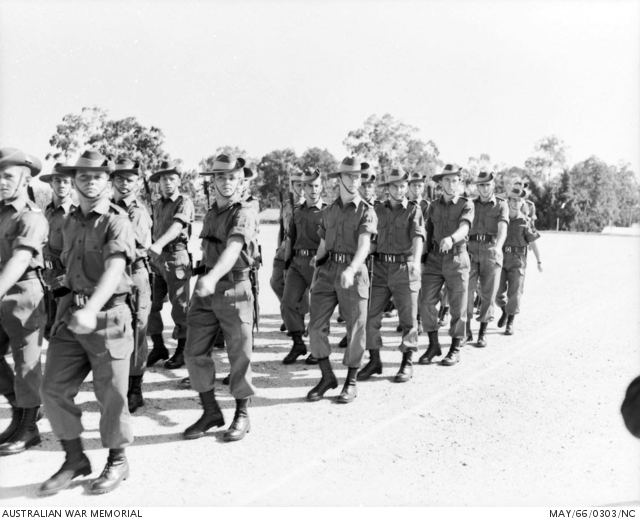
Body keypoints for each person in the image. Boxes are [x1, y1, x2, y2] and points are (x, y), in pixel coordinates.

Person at [39, 149, 136, 495]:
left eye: (96, 176)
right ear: (73, 181)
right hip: (71, 316)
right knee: (51, 387)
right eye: (83, 176)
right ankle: (74, 458)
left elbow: (114, 270)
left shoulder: (116, 221)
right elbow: (64, 265)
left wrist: (91, 308)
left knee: (111, 394)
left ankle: (117, 459)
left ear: (107, 182)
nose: (90, 181)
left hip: (107, 316)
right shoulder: (68, 222)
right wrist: (60, 291)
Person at [182, 154, 259, 442]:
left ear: (241, 180)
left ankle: (242, 413)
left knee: (239, 354)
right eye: (220, 177)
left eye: (232, 177)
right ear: (212, 181)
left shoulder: (245, 212)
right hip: (205, 290)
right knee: (193, 352)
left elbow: (234, 248)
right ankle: (211, 411)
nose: (226, 182)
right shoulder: (213, 212)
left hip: (233, 288)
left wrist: (212, 278)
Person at [305, 157, 377, 404]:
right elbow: (324, 245)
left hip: (354, 273)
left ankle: (351, 381)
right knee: (315, 326)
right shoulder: (328, 211)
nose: (354, 180)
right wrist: (317, 261)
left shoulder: (367, 211)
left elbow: (365, 246)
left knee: (356, 327)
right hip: (328, 271)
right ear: (340, 179)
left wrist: (351, 268)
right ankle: (327, 376)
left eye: (357, 176)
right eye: (349, 176)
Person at [0, 147, 48, 456]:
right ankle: (20, 411)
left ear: (25, 178)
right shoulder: (1, 212)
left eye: (8, 176)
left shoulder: (32, 216)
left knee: (26, 363)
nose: (1, 182)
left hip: (24, 296)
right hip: (3, 293)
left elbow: (20, 259)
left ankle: (29, 428)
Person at [357, 167, 424, 383]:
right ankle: (375, 360)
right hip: (380, 269)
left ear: (407, 187)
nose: (398, 189)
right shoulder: (378, 210)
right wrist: (361, 253)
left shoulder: (414, 210)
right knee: (369, 315)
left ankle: (407, 362)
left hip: (404, 269)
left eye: (402, 186)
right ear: (388, 188)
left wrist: (415, 261)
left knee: (408, 318)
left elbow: (418, 238)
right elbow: (373, 241)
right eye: (394, 186)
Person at [418, 164, 474, 366]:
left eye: (455, 180)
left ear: (459, 183)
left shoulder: (466, 204)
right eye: (447, 180)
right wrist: (422, 259)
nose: (451, 184)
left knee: (458, 307)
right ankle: (433, 345)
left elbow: (465, 227)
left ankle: (455, 348)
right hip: (434, 259)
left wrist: (452, 238)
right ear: (440, 183)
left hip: (457, 258)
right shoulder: (433, 205)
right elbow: (428, 232)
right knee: (425, 302)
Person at [110, 159, 153, 413]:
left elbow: (133, 247)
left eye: (130, 180)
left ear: (137, 183)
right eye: (119, 179)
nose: (124, 184)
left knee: (137, 331)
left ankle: (135, 389)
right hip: (110, 276)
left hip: (134, 275)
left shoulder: (138, 212)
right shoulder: (105, 209)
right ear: (112, 181)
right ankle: (117, 383)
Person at [146, 160, 195, 369]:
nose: (167, 182)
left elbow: (177, 227)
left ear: (178, 181)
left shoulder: (184, 201)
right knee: (148, 304)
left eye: (171, 178)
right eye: (163, 179)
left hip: (176, 258)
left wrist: (158, 244)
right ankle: (158, 346)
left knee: (180, 307)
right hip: (156, 261)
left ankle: (183, 349)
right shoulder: (156, 204)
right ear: (158, 182)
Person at [281, 167, 328, 365]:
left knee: (319, 308)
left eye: (317, 186)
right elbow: (290, 238)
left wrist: (321, 262)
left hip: (317, 263)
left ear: (321, 187)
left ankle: (318, 350)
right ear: (303, 187)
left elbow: (330, 241)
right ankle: (298, 342)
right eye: (309, 186)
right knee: (287, 304)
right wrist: (286, 264)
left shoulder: (327, 211)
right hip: (297, 263)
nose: (313, 189)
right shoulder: (297, 211)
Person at [465, 171, 508, 347]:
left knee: (488, 293)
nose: (484, 188)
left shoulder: (501, 204)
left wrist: (498, 247)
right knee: (466, 291)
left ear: (493, 185)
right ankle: (466, 330)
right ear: (477, 186)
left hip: (491, 250)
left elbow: (503, 228)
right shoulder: (470, 204)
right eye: (481, 185)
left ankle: (482, 332)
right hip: (471, 250)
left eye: (487, 184)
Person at [495, 187, 542, 335]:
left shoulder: (526, 221)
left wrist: (539, 261)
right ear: (508, 201)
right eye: (513, 199)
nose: (516, 202)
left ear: (523, 202)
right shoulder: (501, 219)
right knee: (496, 292)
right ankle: (504, 310)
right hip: (501, 260)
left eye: (519, 200)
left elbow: (533, 242)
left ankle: (510, 322)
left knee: (514, 294)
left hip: (518, 261)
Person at [39, 163, 76, 340]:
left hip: (65, 277)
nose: (61, 185)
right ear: (51, 184)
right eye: (57, 181)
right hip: (46, 276)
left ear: (72, 185)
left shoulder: (75, 214)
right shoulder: (46, 212)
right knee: (47, 327)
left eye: (66, 182)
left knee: (62, 328)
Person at [270, 171, 305, 333]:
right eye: (299, 185)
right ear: (292, 186)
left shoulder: (310, 205)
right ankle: (290, 314)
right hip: (284, 251)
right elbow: (281, 228)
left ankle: (295, 318)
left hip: (301, 253)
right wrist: (279, 248)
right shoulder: (286, 205)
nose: (302, 188)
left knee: (302, 288)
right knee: (276, 282)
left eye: (305, 184)